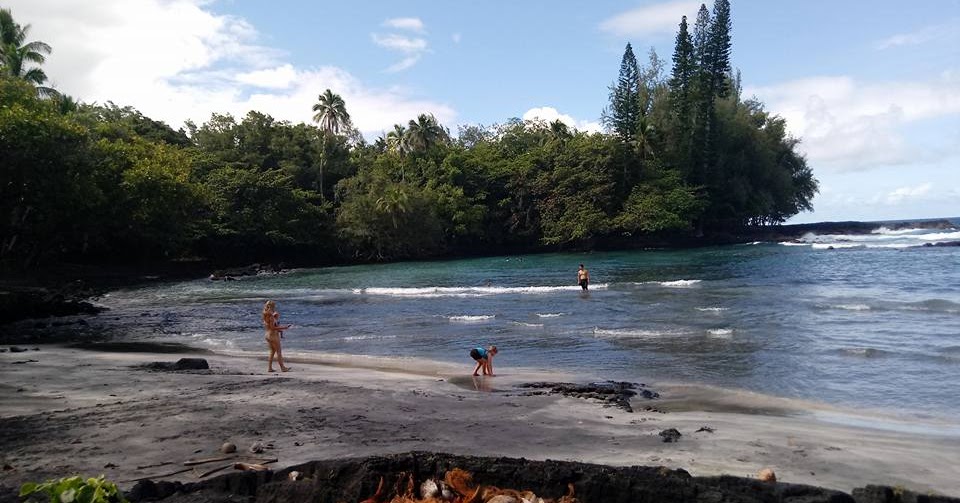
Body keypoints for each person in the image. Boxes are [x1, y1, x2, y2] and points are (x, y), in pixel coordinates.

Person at [262, 300, 292, 373]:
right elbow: (272, 327)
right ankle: (283, 368)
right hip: (273, 335)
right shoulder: (271, 316)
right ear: (272, 307)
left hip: (267, 335)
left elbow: (269, 326)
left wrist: (275, 317)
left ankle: (269, 368)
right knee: (279, 352)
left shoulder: (264, 314)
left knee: (272, 352)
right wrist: (284, 327)